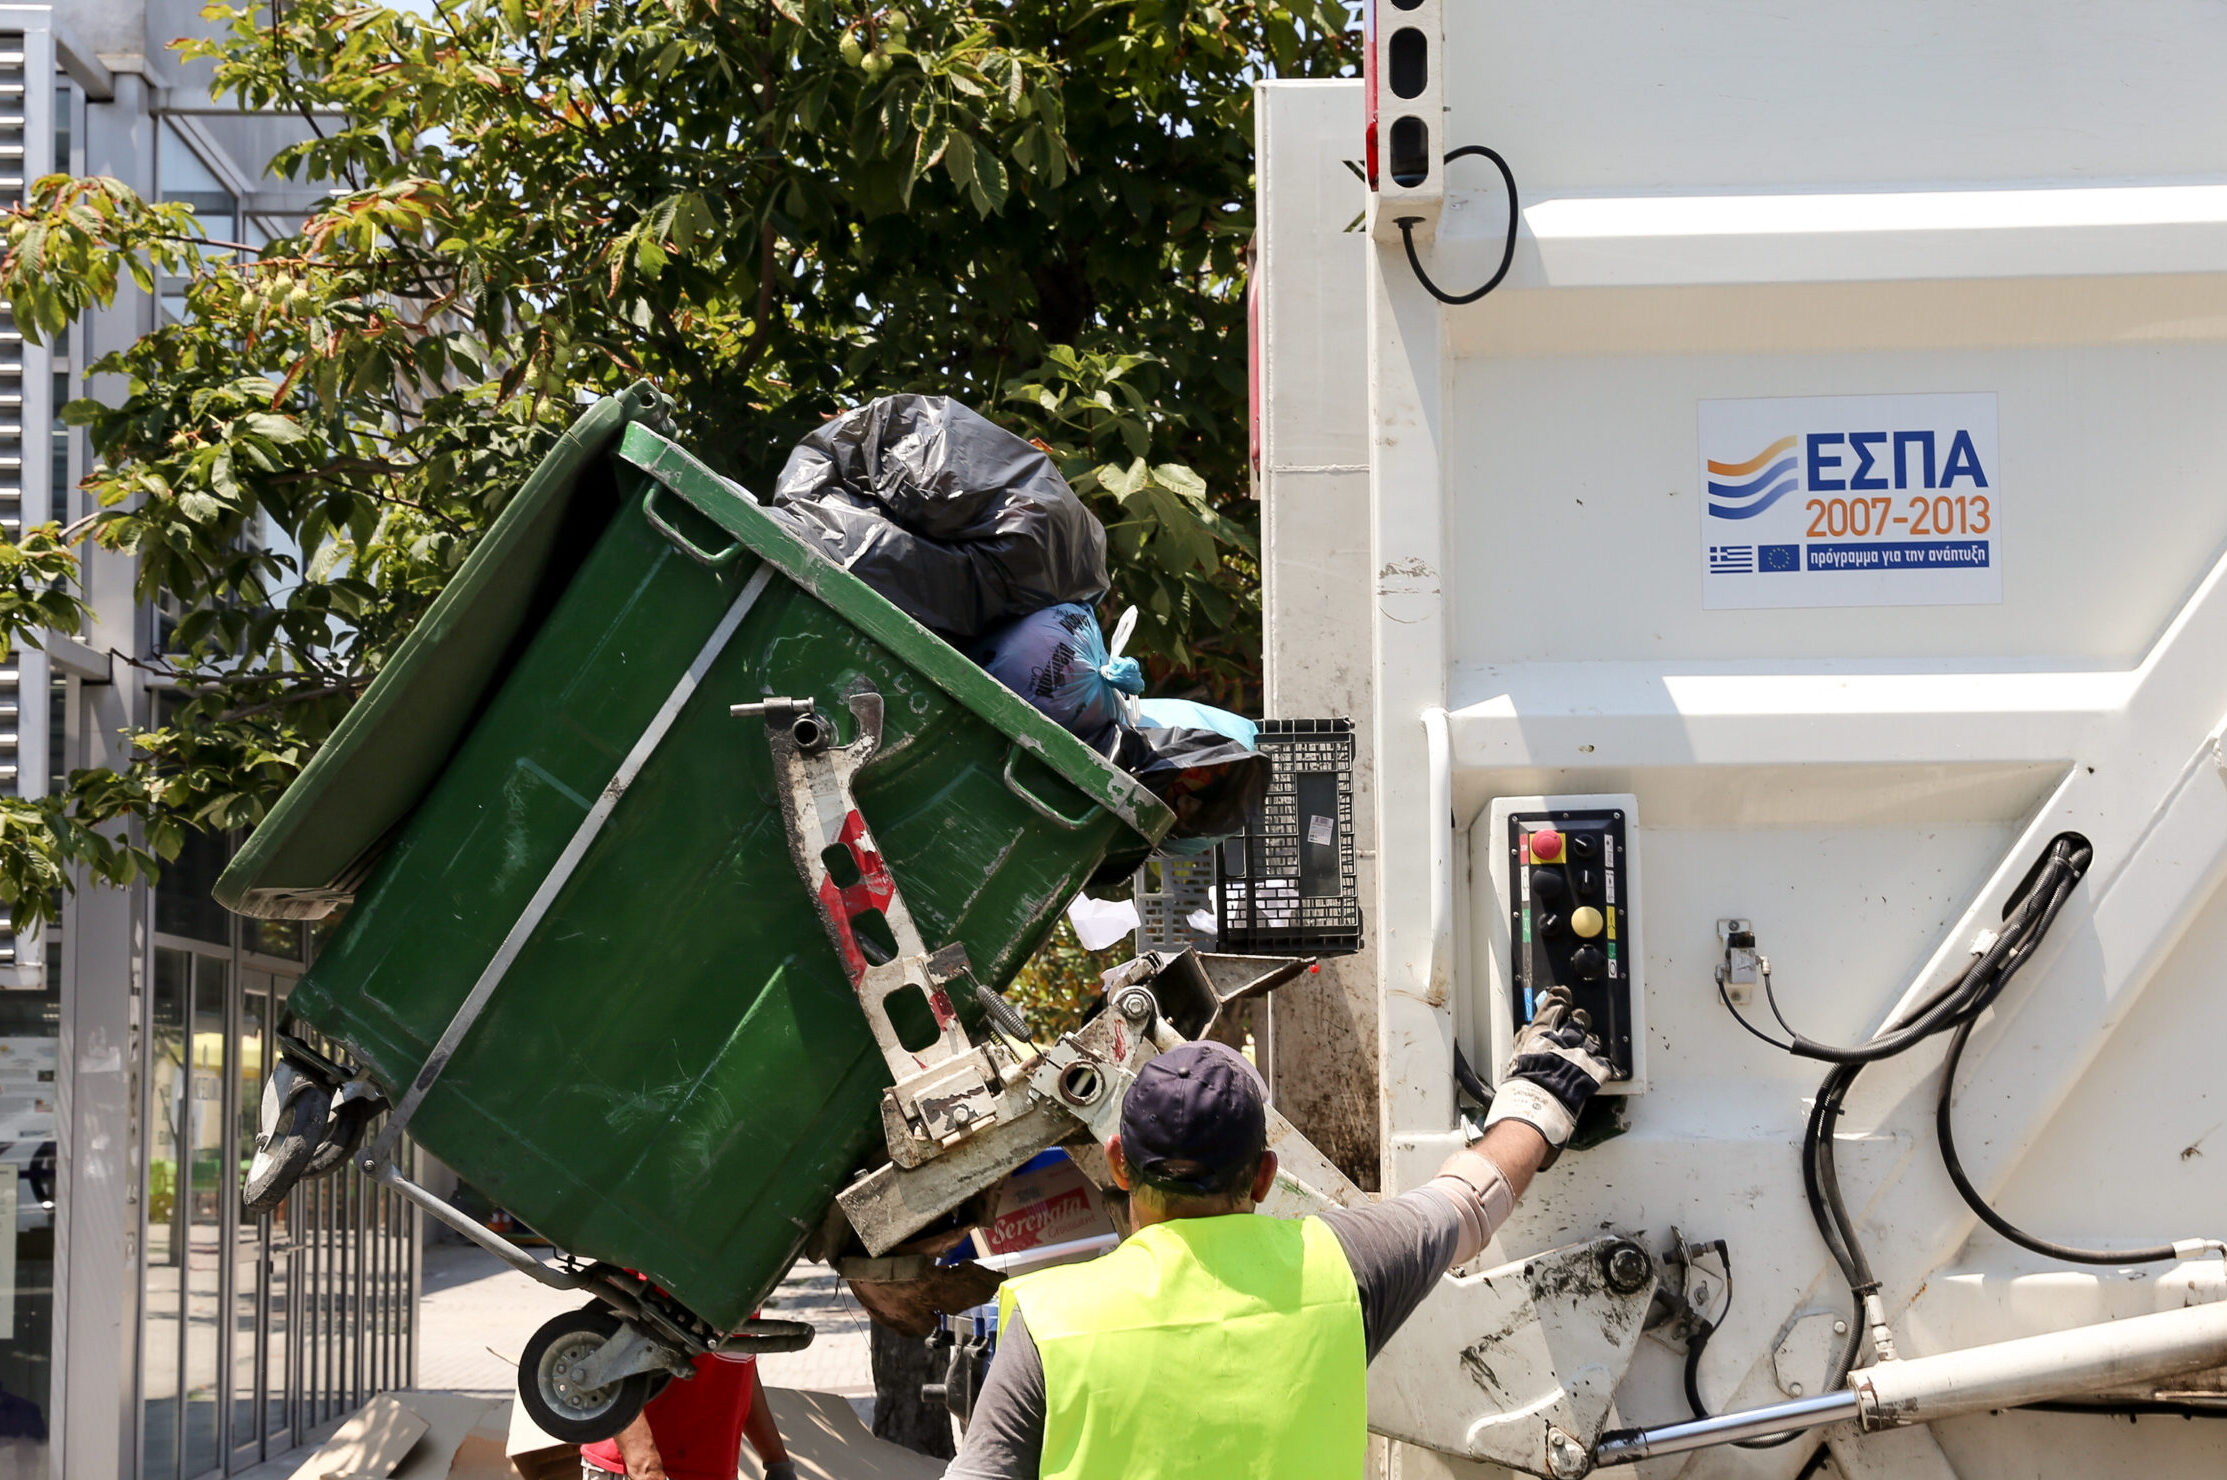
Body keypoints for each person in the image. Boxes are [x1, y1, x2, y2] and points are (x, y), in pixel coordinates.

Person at [945, 986, 1613, 1480]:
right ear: (1263, 1177)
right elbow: (1468, 1201)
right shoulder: (1344, 1268)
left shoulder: (1051, 1322)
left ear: (1118, 1161)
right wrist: (1540, 1096)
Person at [580, 1344, 796, 1480]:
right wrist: (647, 1470)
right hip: (636, 1467)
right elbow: (609, 1344)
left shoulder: (750, 1274)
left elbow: (740, 1366)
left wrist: (778, 1464)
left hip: (714, 1468)